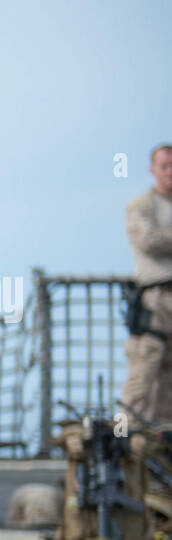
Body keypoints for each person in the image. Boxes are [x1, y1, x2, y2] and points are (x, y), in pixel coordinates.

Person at [121, 144, 172, 425]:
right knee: (143, 377)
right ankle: (127, 446)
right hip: (154, 300)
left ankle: (162, 453)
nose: (169, 172)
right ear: (153, 170)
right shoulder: (142, 206)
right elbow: (148, 240)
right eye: (163, 166)